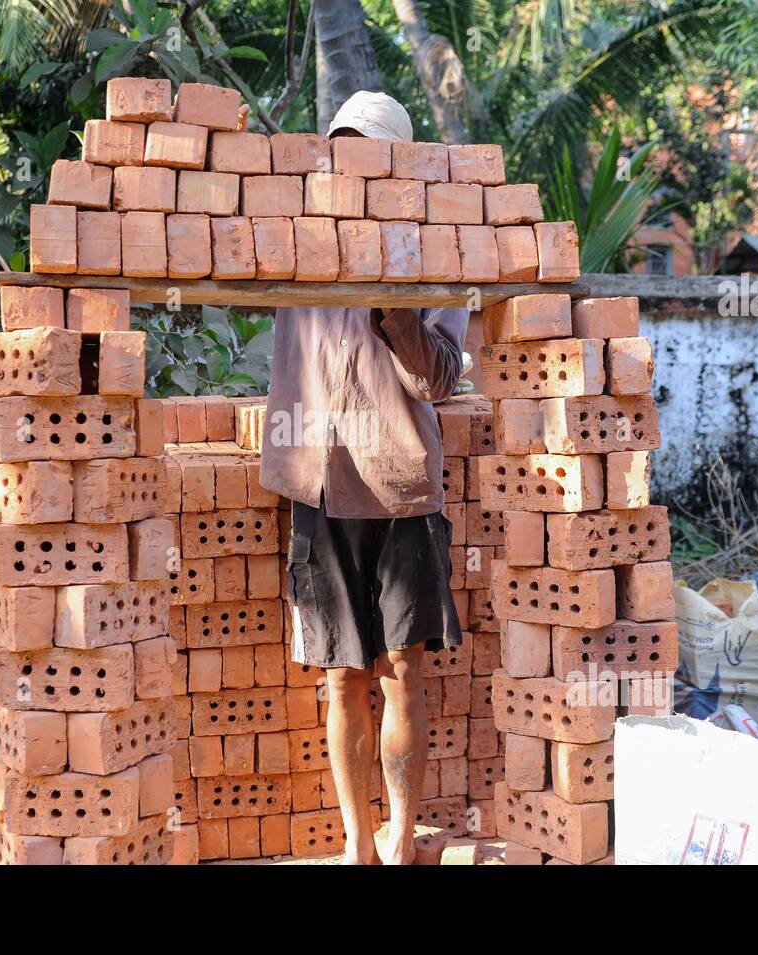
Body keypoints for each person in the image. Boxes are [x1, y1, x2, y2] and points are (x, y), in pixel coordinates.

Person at [259, 90, 469, 865]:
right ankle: (359, 846)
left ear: (398, 169)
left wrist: (396, 307)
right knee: (343, 678)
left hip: (402, 484)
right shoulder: (301, 240)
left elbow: (440, 380)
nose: (356, 168)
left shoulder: (439, 257)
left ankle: (403, 836)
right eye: (343, 150)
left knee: (403, 671)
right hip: (322, 482)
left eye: (371, 156)